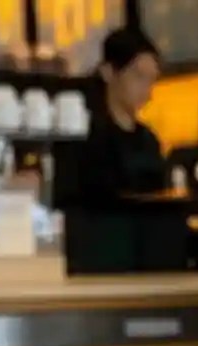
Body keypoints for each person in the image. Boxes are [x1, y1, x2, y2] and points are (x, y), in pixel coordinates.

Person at [63, 29, 176, 273]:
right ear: (108, 72)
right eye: (138, 77)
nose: (147, 90)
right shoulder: (82, 137)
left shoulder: (149, 140)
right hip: (100, 260)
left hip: (149, 260)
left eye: (151, 79)